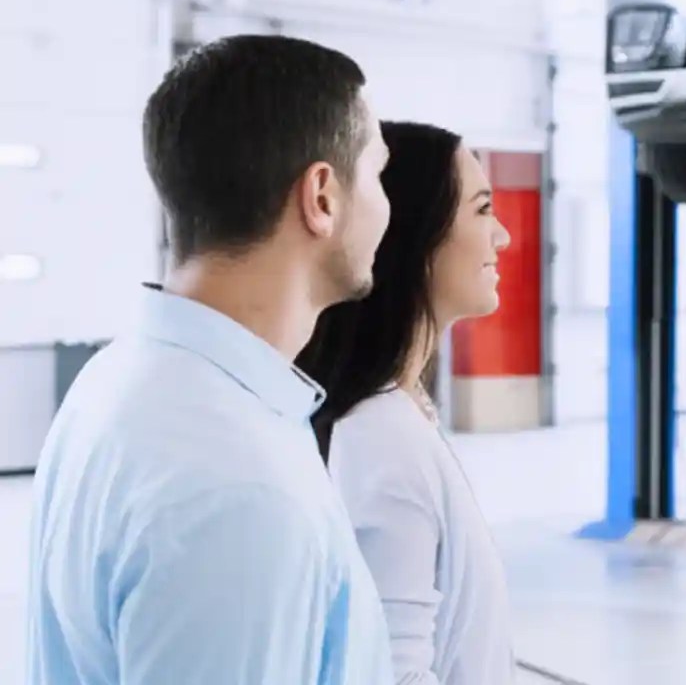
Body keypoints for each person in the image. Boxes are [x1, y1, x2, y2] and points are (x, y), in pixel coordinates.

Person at [27, 34, 395, 684]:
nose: (386, 206)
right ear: (322, 197)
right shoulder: (240, 487)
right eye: (378, 174)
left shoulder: (117, 381)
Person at [295, 121, 516, 684]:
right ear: (417, 233)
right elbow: (392, 673)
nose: (503, 236)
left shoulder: (401, 412)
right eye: (483, 209)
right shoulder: (380, 436)